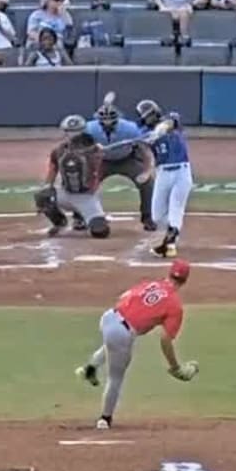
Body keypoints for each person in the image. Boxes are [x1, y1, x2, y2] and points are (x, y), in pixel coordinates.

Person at [74, 257, 198, 430]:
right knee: (116, 377)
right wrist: (175, 367)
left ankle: (90, 368)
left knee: (113, 345)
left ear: (169, 273)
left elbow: (124, 296)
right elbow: (165, 340)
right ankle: (104, 419)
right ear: (185, 280)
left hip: (109, 317)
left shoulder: (152, 285)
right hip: (122, 332)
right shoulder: (175, 306)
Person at [84, 96, 157, 232]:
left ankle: (148, 217)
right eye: (103, 123)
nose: (107, 126)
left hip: (127, 158)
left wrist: (147, 171)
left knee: (148, 183)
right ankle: (80, 217)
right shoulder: (89, 129)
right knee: (84, 182)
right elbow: (81, 151)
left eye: (111, 123)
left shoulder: (130, 129)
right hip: (102, 161)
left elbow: (144, 151)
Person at [34, 114, 109, 239]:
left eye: (76, 131)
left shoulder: (93, 149)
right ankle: (59, 223)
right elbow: (52, 171)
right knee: (42, 196)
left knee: (100, 232)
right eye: (70, 131)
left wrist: (97, 153)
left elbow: (98, 166)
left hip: (87, 197)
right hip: (66, 193)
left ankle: (82, 218)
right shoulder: (59, 151)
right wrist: (46, 190)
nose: (73, 134)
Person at [138, 98, 192, 258]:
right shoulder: (143, 133)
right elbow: (145, 148)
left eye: (151, 115)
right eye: (146, 117)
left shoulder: (171, 119)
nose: (149, 119)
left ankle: (171, 240)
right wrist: (148, 139)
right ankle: (171, 233)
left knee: (176, 206)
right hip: (163, 173)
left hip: (182, 171)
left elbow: (172, 121)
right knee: (157, 215)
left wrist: (162, 128)